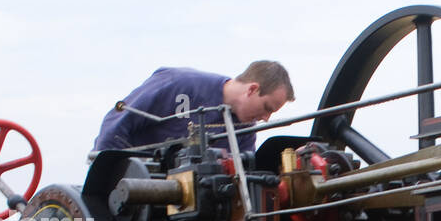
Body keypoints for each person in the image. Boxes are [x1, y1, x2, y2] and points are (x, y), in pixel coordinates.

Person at [94, 61, 294, 153]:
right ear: (252, 89)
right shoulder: (180, 83)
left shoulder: (244, 130)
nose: (265, 118)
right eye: (267, 107)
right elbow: (116, 124)